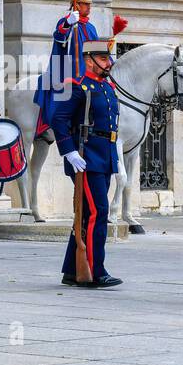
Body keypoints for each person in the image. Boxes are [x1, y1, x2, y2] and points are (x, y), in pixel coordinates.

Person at [53, 37, 121, 289]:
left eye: (108, 58)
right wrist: (69, 152)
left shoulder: (106, 87)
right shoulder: (75, 86)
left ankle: (73, 270)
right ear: (89, 61)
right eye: (103, 58)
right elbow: (58, 120)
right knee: (97, 212)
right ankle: (95, 270)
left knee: (86, 214)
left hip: (104, 157)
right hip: (85, 159)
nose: (108, 63)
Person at [34, 0, 98, 140]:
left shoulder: (91, 27)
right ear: (76, 5)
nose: (89, 7)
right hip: (69, 72)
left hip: (88, 72)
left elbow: (97, 51)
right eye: (85, 4)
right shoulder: (67, 22)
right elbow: (59, 37)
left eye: (89, 4)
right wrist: (67, 24)